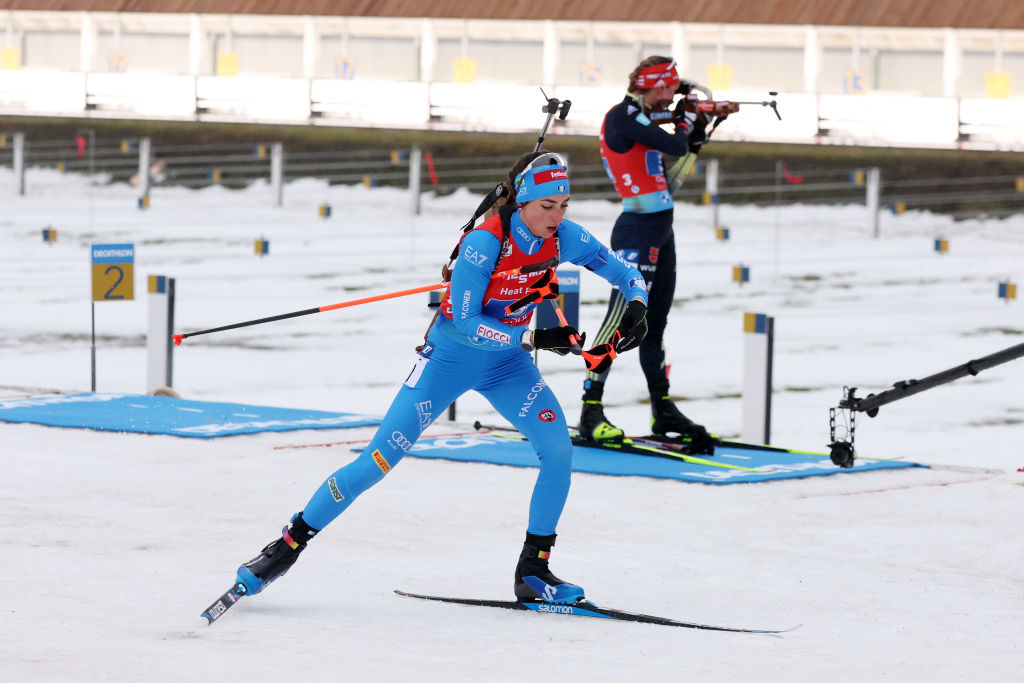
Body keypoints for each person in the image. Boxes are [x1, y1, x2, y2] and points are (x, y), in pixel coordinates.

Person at [232, 151, 649, 607]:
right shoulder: (485, 242)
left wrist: (638, 304)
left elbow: (624, 272)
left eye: (565, 204)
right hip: (449, 362)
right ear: (524, 201)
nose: (559, 215)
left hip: (506, 365)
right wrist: (531, 335)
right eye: (548, 205)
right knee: (378, 462)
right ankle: (286, 546)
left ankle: (533, 570)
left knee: (558, 451)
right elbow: (468, 322)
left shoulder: (563, 237)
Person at [578, 55, 735, 451]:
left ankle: (661, 408)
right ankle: (590, 410)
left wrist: (701, 127)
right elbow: (676, 140)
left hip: (660, 232)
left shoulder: (645, 123)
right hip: (636, 232)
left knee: (655, 325)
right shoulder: (624, 117)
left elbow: (672, 174)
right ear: (657, 86)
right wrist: (686, 121)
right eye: (670, 89)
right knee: (620, 321)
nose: (672, 97)